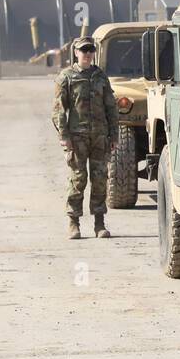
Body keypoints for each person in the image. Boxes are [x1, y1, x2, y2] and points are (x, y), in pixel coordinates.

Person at [52, 37, 118, 237]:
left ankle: (99, 224)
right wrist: (64, 136)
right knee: (78, 179)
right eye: (84, 50)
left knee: (99, 179)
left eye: (90, 50)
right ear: (76, 53)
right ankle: (74, 223)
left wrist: (114, 135)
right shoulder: (66, 77)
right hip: (77, 138)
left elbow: (111, 107)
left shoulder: (100, 77)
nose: (87, 54)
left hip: (100, 138)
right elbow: (58, 110)